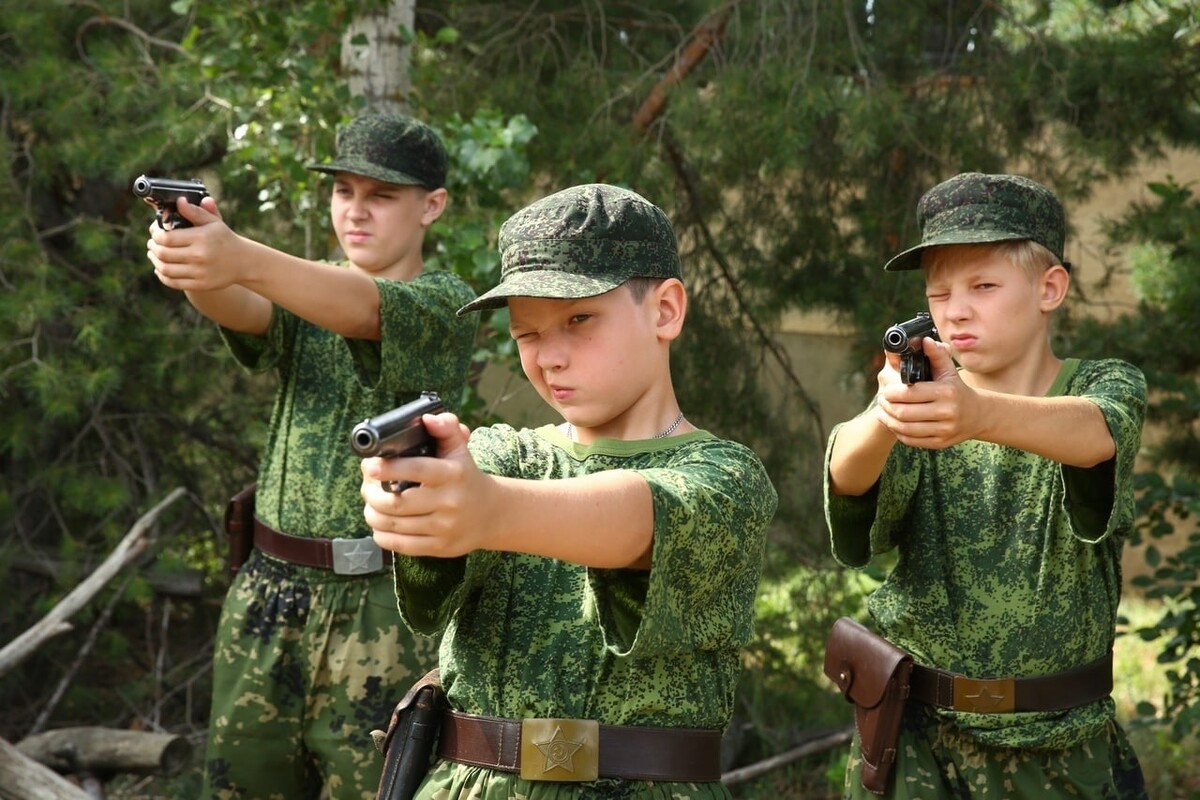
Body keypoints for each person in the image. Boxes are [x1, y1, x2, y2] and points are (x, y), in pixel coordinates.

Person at [358, 183, 778, 799]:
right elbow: (448, 534)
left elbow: (640, 516)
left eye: (578, 319)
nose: (549, 357)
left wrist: (486, 508)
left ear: (665, 310)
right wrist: (414, 494)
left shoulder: (727, 478)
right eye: (526, 334)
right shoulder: (505, 455)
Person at [147, 112, 478, 799]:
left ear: (432, 206)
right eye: (342, 192)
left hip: (380, 607)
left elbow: (363, 309)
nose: (355, 212)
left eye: (381, 196)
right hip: (269, 595)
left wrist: (239, 254)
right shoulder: (307, 287)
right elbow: (241, 306)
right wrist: (195, 254)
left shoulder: (442, 303)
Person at [824, 172, 1148, 798]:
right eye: (938, 292)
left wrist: (975, 414)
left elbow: (1099, 432)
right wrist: (887, 411)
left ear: (1050, 288)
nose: (956, 309)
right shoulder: (923, 401)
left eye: (984, 285)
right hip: (914, 742)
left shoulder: (1101, 384)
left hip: (1059, 745)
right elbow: (845, 475)